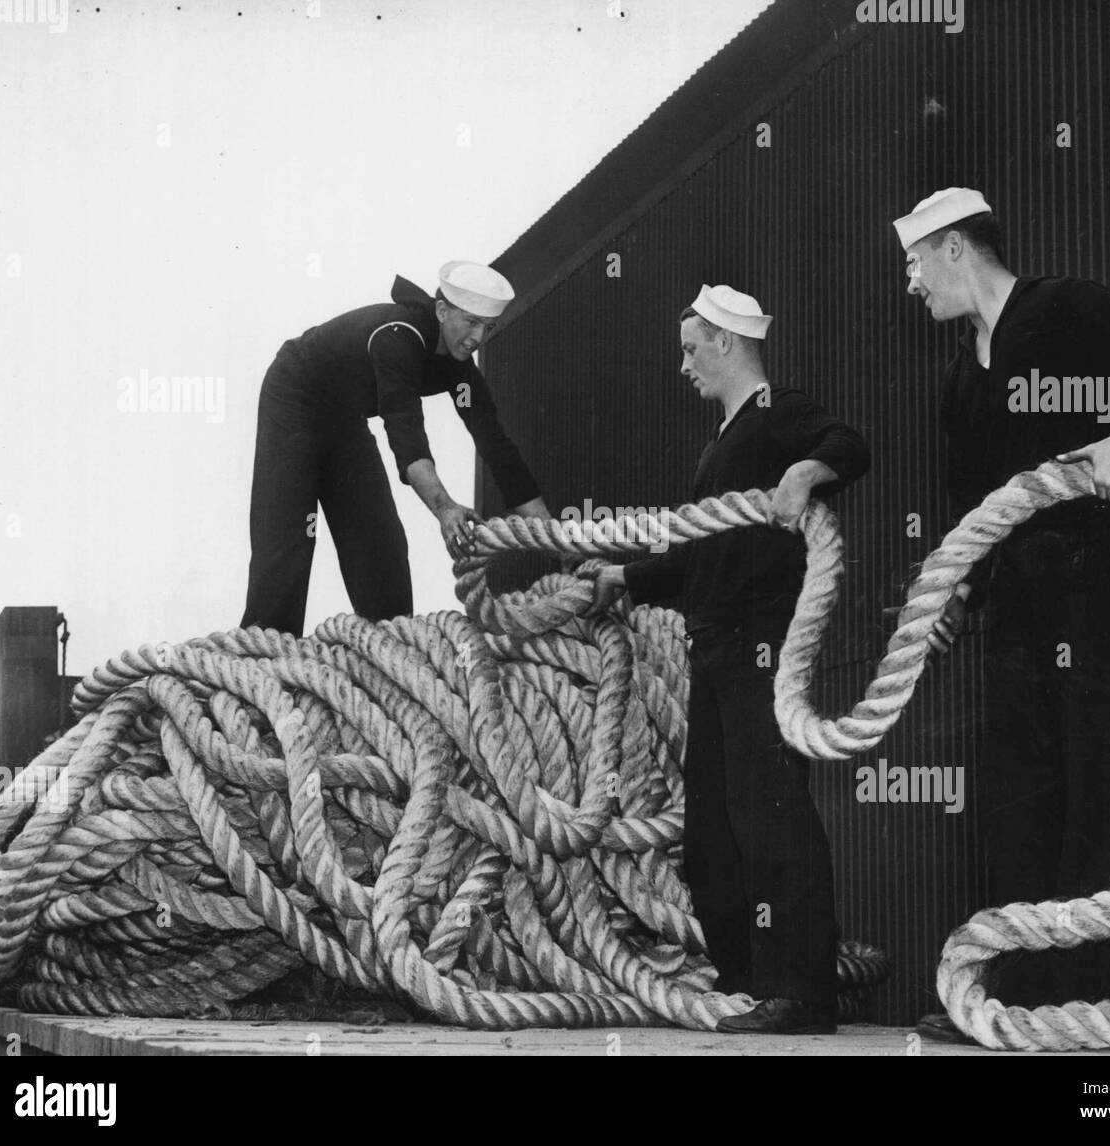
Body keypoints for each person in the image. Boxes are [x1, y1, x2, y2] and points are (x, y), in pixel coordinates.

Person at [893, 188, 1110, 1038]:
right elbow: (973, 510)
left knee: (1102, 785)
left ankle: (1108, 1006)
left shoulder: (1063, 308)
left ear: (955, 247)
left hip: (1090, 578)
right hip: (1015, 605)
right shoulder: (961, 379)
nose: (911, 283)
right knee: (1018, 798)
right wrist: (957, 592)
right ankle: (1018, 1003)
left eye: (915, 263)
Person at [587, 284, 870, 1033]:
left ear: (726, 341)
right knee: (713, 828)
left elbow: (849, 444)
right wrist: (624, 576)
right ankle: (746, 979)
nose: (683, 365)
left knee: (771, 811)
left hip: (760, 645)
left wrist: (804, 474)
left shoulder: (778, 412)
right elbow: (695, 559)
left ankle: (800, 992)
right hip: (712, 648)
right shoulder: (720, 444)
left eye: (690, 349)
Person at [240, 261, 550, 637]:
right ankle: (265, 649)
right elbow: (406, 433)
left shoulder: (460, 371)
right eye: (471, 322)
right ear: (442, 310)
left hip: (345, 418)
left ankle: (390, 649)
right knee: (288, 542)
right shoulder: (399, 336)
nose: (477, 337)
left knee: (381, 545)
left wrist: (554, 537)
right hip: (295, 396)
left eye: (488, 327)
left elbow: (497, 447)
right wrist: (445, 508)